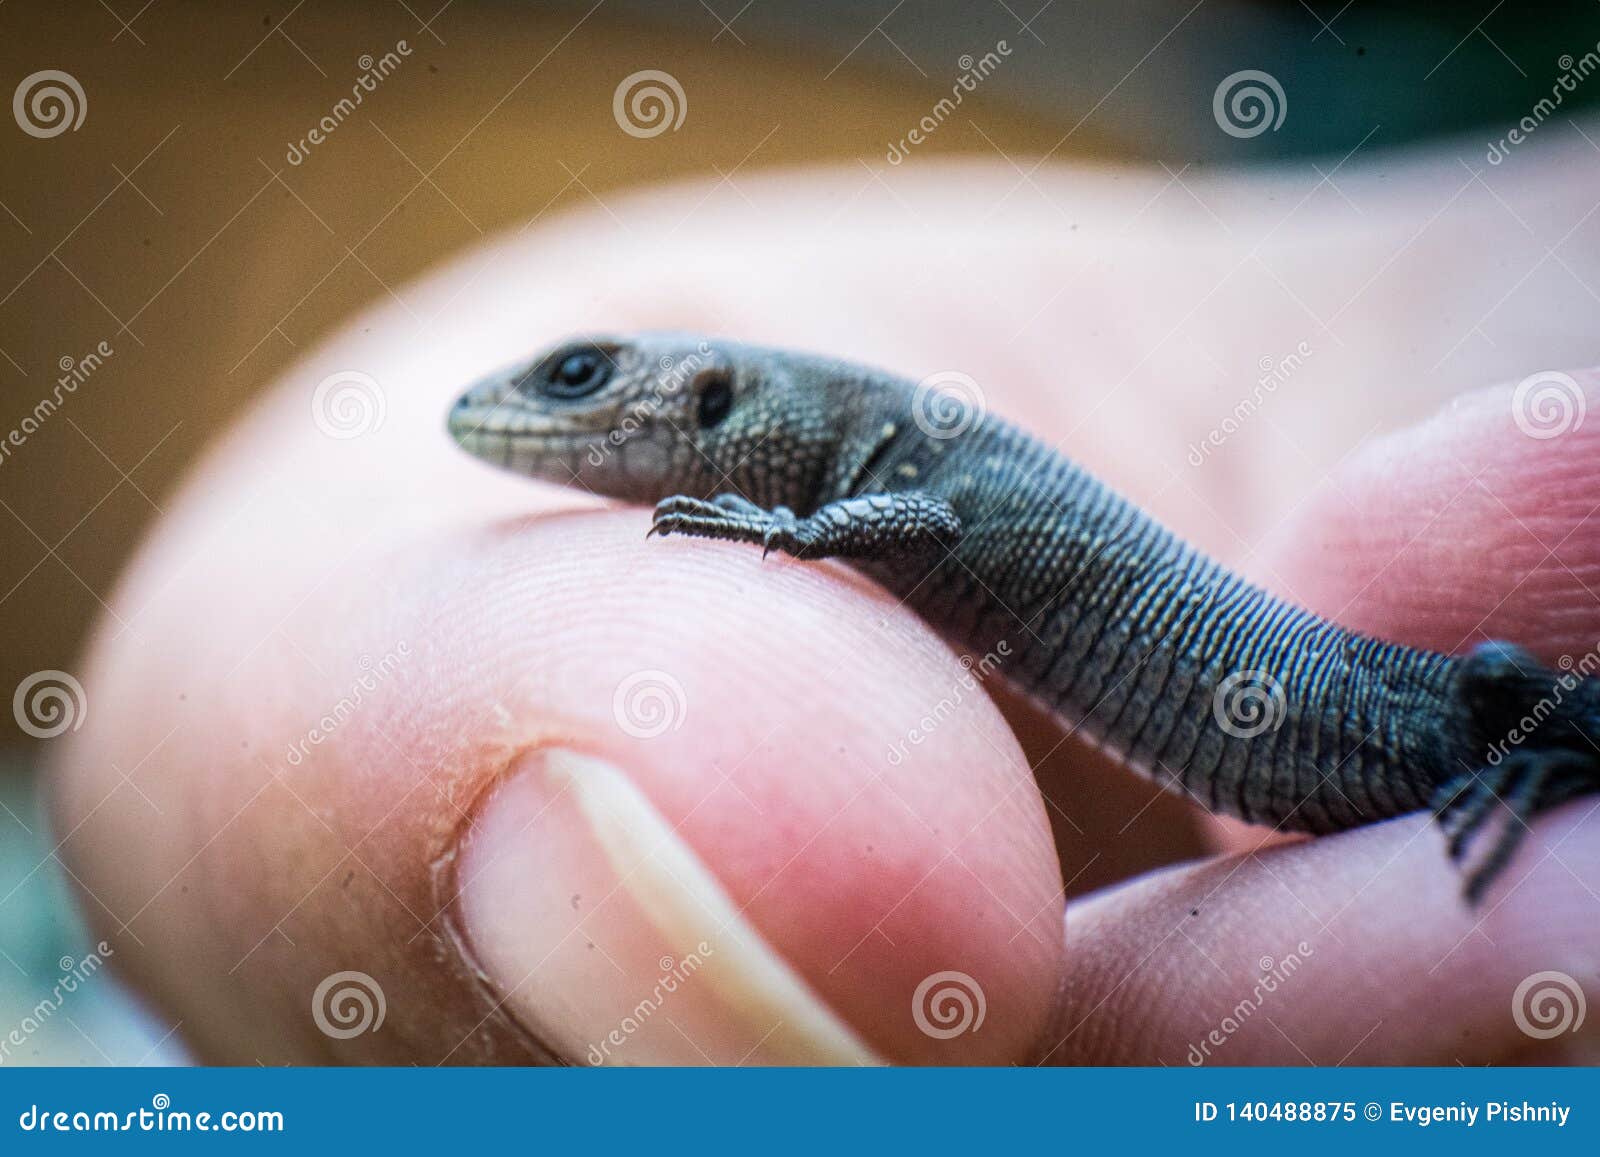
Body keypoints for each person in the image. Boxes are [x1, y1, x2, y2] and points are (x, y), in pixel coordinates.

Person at [55, 142, 1600, 1065]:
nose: (542, 407)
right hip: (1363, 770)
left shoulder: (894, 485)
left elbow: (922, 521)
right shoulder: (873, 450)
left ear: (711, 393)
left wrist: (792, 538)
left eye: (584, 380)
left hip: (1415, 726)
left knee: (1493, 700)